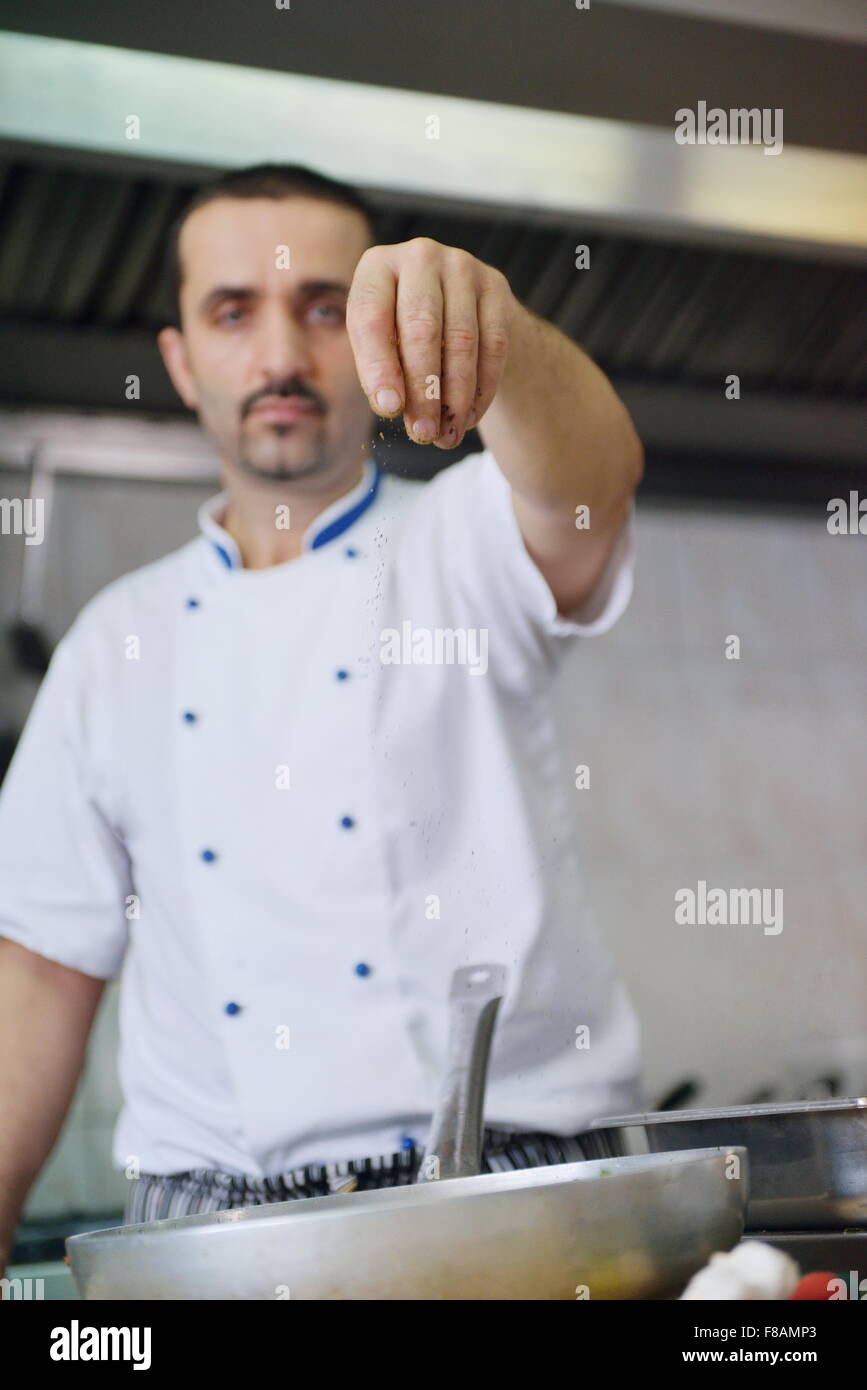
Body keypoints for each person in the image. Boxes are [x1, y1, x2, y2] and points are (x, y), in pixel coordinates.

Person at [0, 163, 644, 1248]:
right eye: (233, 310)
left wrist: (503, 335)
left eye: (325, 308)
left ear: (381, 336)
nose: (282, 357)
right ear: (181, 359)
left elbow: (596, 477)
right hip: (214, 1223)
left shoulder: (465, 541)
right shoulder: (115, 645)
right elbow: (32, 984)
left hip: (513, 1185)